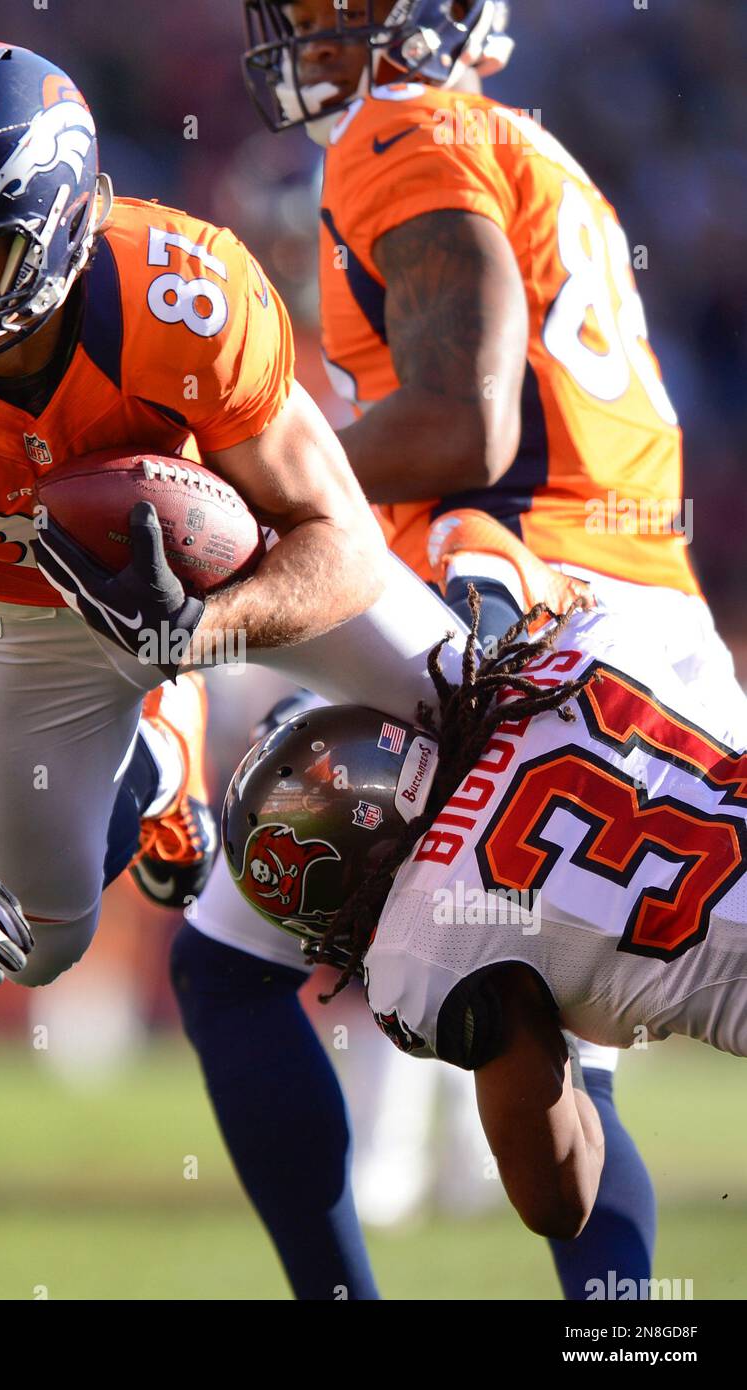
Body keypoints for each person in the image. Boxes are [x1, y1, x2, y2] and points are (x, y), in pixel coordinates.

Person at [167, 0, 744, 1298]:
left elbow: (462, 420)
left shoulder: (400, 132)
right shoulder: (530, 151)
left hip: (528, 613)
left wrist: (239, 484)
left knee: (230, 967)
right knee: (550, 1028)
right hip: (653, 638)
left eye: (326, 15)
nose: (302, 42)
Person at [0, 44, 469, 1031]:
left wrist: (202, 627)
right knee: (31, 943)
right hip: (16, 613)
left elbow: (339, 541)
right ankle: (158, 768)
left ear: (61, 235)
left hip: (224, 567)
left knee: (476, 702)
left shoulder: (184, 291)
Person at [223, 576, 747, 1240]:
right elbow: (678, 625)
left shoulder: (429, 940)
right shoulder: (555, 657)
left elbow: (561, 1198)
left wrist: (534, 996)